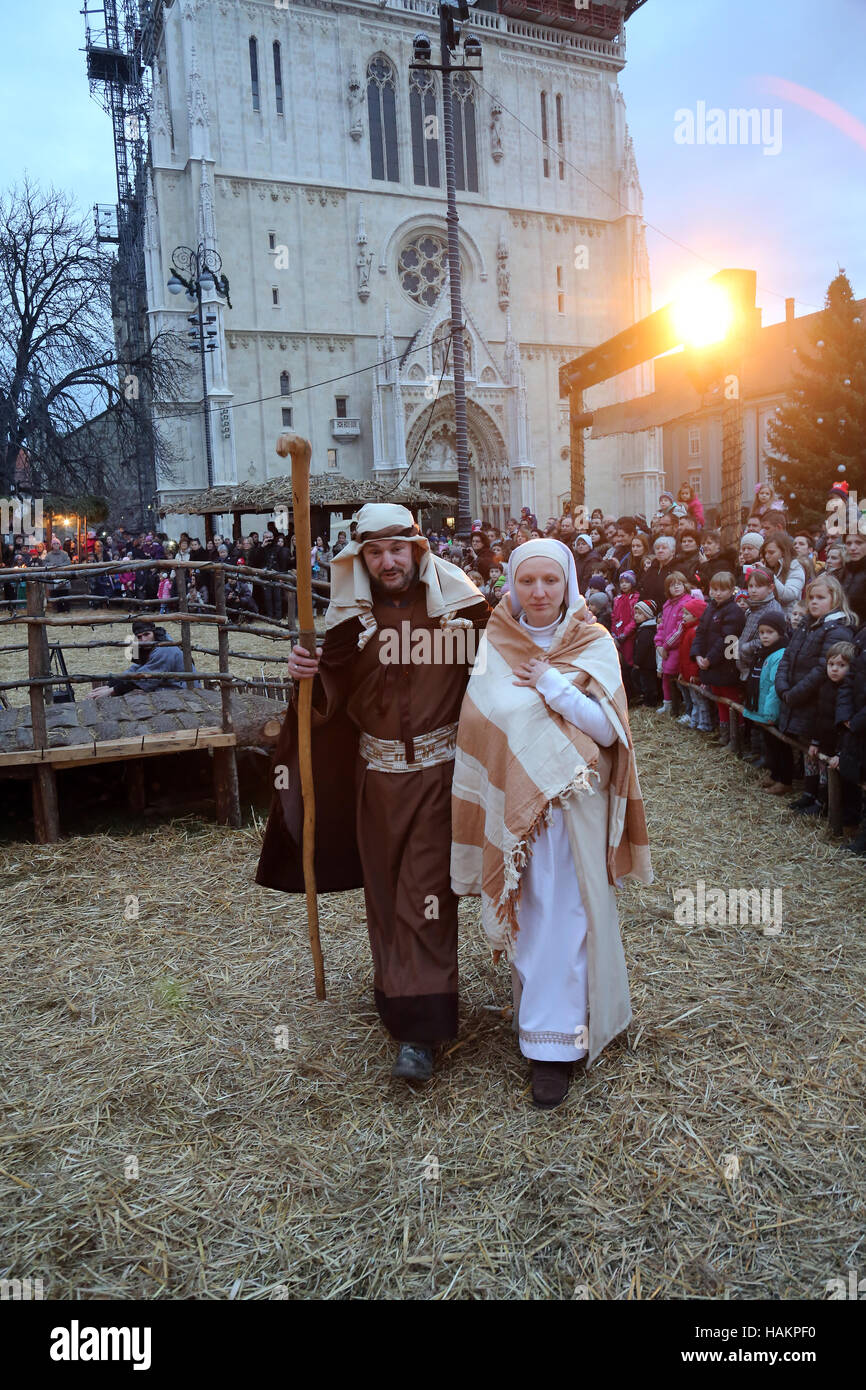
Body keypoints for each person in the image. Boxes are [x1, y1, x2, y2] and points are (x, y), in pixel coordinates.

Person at [256, 502, 489, 1084]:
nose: (388, 562)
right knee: (384, 896)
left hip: (439, 778)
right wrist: (305, 676)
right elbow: (323, 705)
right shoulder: (348, 623)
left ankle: (421, 1031)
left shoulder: (460, 611)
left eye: (398, 549)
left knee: (425, 895)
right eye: (375, 552)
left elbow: (506, 665)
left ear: (418, 549)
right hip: (373, 782)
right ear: (361, 559)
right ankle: (397, 995)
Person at [450, 539, 652, 1109]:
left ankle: (557, 1049)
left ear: (568, 584)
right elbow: (480, 724)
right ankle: (541, 1033)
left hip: (573, 809)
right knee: (534, 914)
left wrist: (552, 685)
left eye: (551, 581)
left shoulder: (594, 642)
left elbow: (609, 732)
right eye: (527, 581)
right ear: (511, 584)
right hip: (520, 820)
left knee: (573, 914)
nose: (539, 593)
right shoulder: (495, 643)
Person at [776, 575, 856, 813]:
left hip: (818, 702)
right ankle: (809, 792)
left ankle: (823, 799)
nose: (814, 602)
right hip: (797, 697)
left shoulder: (837, 630)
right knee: (806, 749)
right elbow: (788, 655)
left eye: (821, 598)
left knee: (820, 751)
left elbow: (823, 668)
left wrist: (796, 693)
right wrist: (782, 687)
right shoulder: (806, 624)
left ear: (835, 598)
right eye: (811, 597)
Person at [690, 571, 746, 748]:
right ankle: (724, 734)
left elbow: (728, 640)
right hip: (709, 661)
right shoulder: (710, 607)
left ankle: (737, 736)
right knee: (719, 697)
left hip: (726, 664)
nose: (718, 593)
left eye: (723, 589)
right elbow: (700, 632)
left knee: (731, 700)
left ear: (732, 590)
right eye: (715, 589)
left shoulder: (734, 612)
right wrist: (697, 654)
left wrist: (710, 659)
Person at [742, 613, 790, 794]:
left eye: (770, 632)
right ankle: (774, 774)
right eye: (761, 632)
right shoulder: (762, 652)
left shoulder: (779, 654)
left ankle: (784, 780)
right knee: (770, 744)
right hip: (762, 708)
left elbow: (774, 687)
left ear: (779, 633)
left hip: (772, 712)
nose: (764, 636)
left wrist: (770, 713)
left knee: (780, 747)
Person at [91, 619, 192, 697]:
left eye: (146, 634)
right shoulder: (153, 646)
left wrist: (112, 691)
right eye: (139, 637)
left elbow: (144, 680)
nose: (144, 640)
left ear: (154, 632)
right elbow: (136, 668)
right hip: (168, 685)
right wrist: (110, 685)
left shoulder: (164, 649)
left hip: (183, 690)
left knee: (135, 695)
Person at [654, 571, 692, 715]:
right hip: (665, 647)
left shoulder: (687, 602)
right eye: (672, 585)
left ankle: (678, 707)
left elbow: (680, 628)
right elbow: (661, 625)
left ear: (684, 585)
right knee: (665, 674)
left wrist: (666, 645)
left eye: (679, 584)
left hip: (677, 647)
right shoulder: (667, 605)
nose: (676, 587)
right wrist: (658, 642)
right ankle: (667, 702)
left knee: (673, 675)